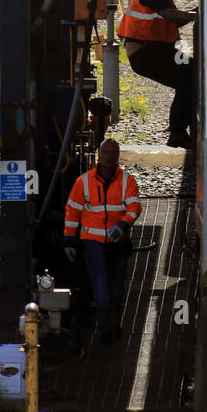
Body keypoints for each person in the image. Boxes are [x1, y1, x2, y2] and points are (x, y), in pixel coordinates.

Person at [64, 138, 140, 345]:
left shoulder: (127, 181)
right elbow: (72, 211)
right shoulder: (84, 182)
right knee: (101, 287)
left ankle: (112, 323)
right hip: (93, 243)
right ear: (99, 156)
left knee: (116, 289)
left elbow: (134, 207)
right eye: (105, 153)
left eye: (113, 154)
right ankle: (105, 327)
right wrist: (70, 239)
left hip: (118, 243)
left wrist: (123, 224)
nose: (109, 158)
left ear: (118, 156)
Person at [118, 0, 194, 149]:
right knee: (189, 76)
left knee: (189, 73)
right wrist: (199, 13)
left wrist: (195, 11)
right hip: (145, 53)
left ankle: (187, 128)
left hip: (151, 51)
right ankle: (177, 133)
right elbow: (173, 17)